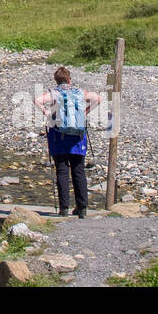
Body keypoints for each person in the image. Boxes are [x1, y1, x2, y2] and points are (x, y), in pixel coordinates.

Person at [33, 67, 103, 217]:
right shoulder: (80, 93)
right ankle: (82, 208)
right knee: (79, 171)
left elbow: (37, 100)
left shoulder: (54, 94)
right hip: (77, 137)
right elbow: (98, 99)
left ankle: (64, 208)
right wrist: (86, 112)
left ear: (56, 81)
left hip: (58, 136)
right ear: (69, 79)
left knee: (62, 171)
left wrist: (47, 114)